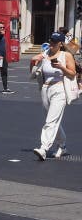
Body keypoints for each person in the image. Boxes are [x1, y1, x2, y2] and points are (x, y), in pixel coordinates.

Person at [30, 32, 76, 160]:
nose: (51, 44)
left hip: (59, 89)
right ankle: (62, 145)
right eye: (50, 41)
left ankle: (44, 148)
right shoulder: (46, 54)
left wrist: (61, 67)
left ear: (60, 44)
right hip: (45, 88)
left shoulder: (66, 55)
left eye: (54, 42)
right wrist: (36, 60)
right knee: (54, 121)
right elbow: (34, 59)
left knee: (50, 121)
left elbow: (72, 74)